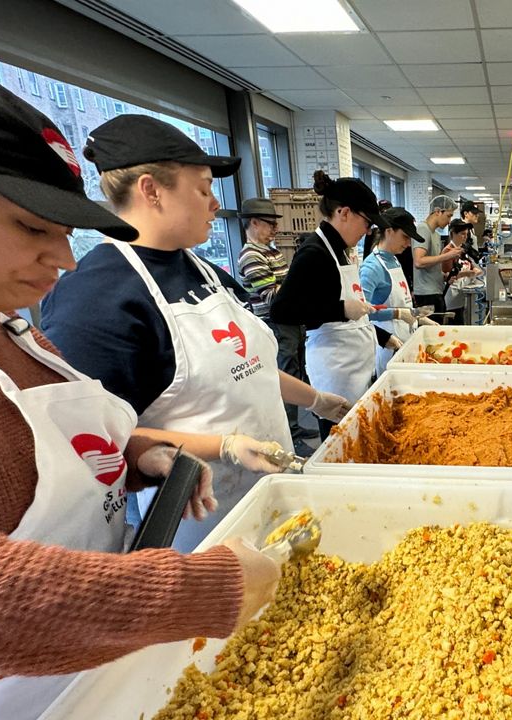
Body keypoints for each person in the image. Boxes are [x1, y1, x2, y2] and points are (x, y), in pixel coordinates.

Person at [0, 65, 278, 718]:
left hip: (92, 678)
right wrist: (195, 591)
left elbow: (20, 443)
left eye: (66, 231)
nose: (66, 259)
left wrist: (133, 454)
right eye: (30, 227)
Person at [41, 115, 349, 552]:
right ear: (151, 190)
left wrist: (317, 400)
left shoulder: (204, 270)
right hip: (200, 522)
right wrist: (221, 447)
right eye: (203, 188)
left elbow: (243, 368)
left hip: (270, 494)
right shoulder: (96, 301)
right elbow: (96, 439)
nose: (215, 204)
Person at [272, 171, 396, 438]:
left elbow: (356, 318)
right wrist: (340, 309)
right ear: (344, 213)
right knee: (342, 445)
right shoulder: (314, 253)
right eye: (366, 223)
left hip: (355, 366)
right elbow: (282, 310)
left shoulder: (340, 250)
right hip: (336, 373)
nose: (367, 231)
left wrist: (383, 337)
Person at [235, 197, 315, 452]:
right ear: (254, 223)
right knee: (285, 374)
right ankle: (290, 434)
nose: (275, 229)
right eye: (270, 224)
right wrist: (296, 288)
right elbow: (272, 296)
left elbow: (287, 285)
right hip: (275, 324)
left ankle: (294, 424)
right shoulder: (250, 255)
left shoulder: (271, 250)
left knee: (295, 368)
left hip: (289, 320)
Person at [361, 206, 438, 375]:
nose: (408, 244)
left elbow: (402, 302)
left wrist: (417, 315)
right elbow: (361, 314)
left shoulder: (394, 260)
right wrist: (397, 313)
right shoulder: (372, 268)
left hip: (406, 340)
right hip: (388, 346)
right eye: (405, 237)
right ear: (388, 231)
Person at [412, 195, 463, 313]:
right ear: (437, 211)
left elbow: (432, 263)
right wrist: (447, 255)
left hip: (436, 291)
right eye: (448, 216)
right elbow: (419, 261)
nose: (449, 221)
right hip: (426, 294)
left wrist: (443, 276)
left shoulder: (436, 234)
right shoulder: (423, 229)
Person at [444, 218, 484, 325]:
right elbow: (446, 275)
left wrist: (474, 271)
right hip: (451, 298)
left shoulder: (462, 250)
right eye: (462, 234)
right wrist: (466, 274)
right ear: (453, 233)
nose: (465, 237)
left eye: (466, 234)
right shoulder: (448, 251)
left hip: (461, 296)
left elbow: (475, 267)